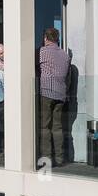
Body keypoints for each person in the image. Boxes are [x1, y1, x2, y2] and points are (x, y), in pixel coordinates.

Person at [38, 28, 69, 168]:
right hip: (61, 93)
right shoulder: (64, 54)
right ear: (57, 38)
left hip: (46, 91)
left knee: (45, 126)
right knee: (57, 127)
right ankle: (60, 159)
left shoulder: (42, 51)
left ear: (45, 37)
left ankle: (46, 159)